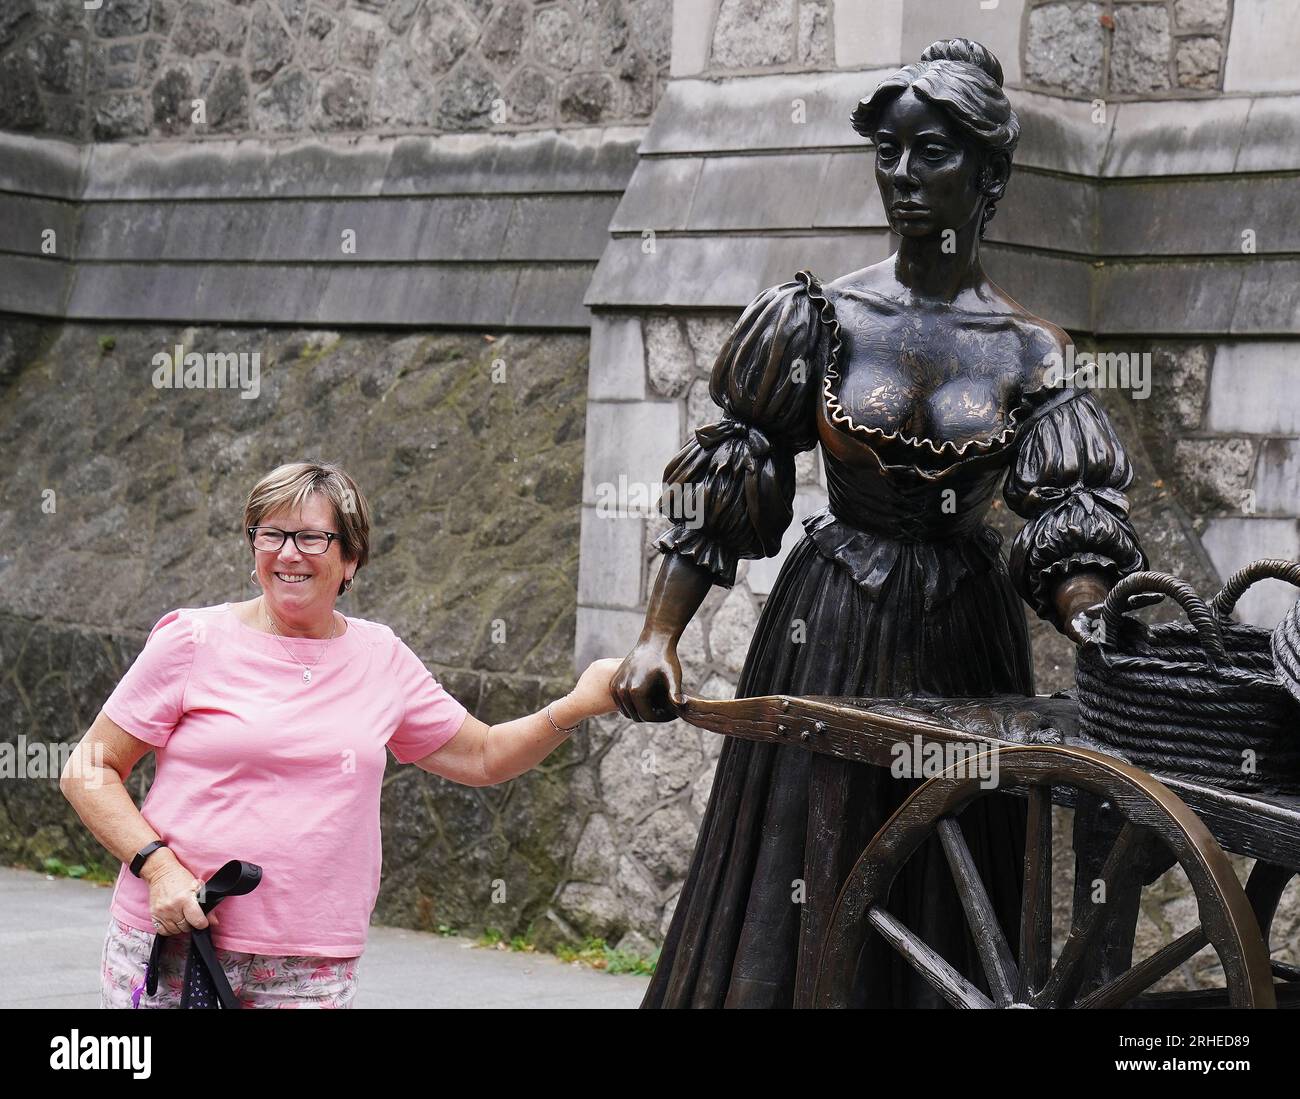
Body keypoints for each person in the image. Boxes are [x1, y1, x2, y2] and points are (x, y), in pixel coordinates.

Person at [610, 38, 1148, 1008]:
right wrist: (656, 636)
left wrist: (1091, 614)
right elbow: (731, 476)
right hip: (828, 630)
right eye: (888, 151)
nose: (902, 176)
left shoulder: (1029, 352)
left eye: (931, 152)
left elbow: (1067, 518)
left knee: (943, 880)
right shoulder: (820, 318)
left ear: (990, 174)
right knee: (789, 875)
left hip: (963, 647)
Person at [61, 460, 620, 1008]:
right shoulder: (193, 639)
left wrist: (579, 703)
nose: (287, 553)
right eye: (271, 534)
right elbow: (89, 769)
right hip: (183, 937)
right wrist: (159, 869)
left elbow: (483, 756)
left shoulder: (381, 656)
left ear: (351, 558)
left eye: (310, 537)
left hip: (314, 963)